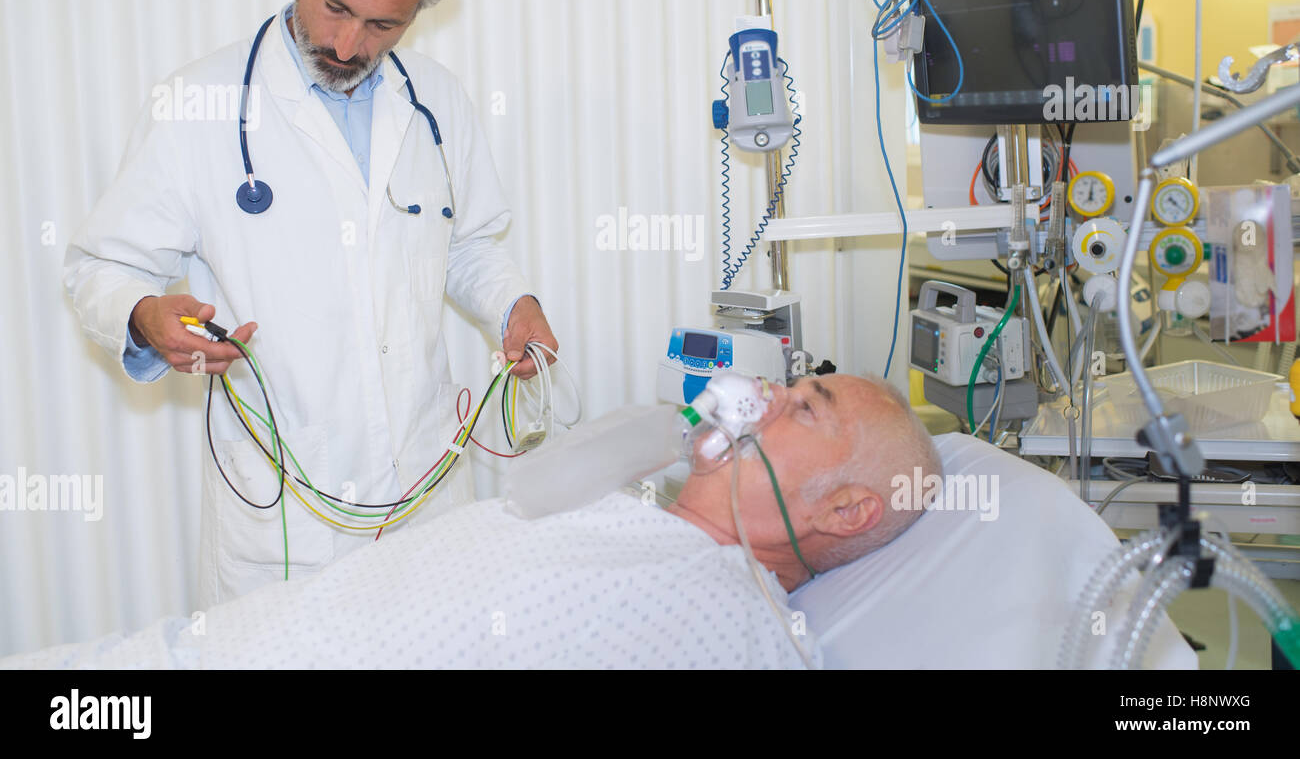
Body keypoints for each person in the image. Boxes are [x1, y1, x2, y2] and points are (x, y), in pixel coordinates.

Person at [63, 0, 557, 606]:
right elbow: (100, 265)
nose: (349, 44)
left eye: (384, 26)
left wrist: (515, 304)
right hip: (283, 508)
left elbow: (469, 245)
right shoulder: (198, 105)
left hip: (423, 486)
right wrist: (143, 315)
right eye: (335, 7)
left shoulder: (434, 102)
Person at [2, 375, 941, 669]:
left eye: (806, 407)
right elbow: (540, 483)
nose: (766, 396)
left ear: (846, 508)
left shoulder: (734, 625)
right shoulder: (625, 511)